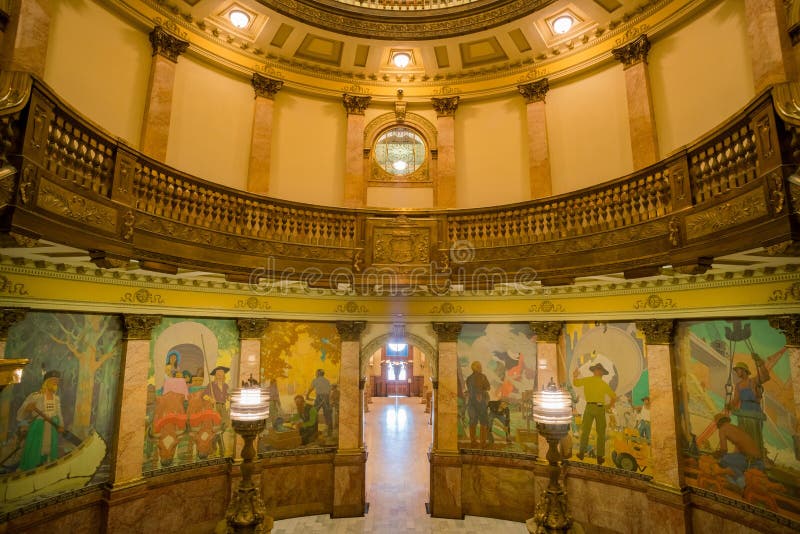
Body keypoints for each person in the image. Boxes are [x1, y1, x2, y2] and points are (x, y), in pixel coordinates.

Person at [16, 370, 64, 470]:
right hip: (38, 426)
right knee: (35, 447)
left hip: (53, 426)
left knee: (50, 447)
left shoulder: (56, 398)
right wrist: (28, 408)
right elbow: (22, 412)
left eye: (57, 381)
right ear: (47, 382)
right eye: (53, 380)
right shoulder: (36, 396)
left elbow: (59, 413)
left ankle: (46, 466)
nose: (56, 383)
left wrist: (61, 425)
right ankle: (31, 467)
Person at [573, 362, 617, 465]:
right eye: (597, 369)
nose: (598, 371)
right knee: (585, 431)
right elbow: (576, 383)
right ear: (594, 371)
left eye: (600, 370)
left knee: (601, 433)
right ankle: (581, 452)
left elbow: (613, 396)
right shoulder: (588, 380)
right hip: (589, 407)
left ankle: (600, 456)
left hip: (600, 408)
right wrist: (575, 376)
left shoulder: (603, 384)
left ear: (602, 373)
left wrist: (608, 406)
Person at [728, 357, 770, 458]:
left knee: (755, 435)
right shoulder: (738, 386)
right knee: (743, 435)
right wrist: (729, 405)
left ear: (744, 371)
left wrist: (761, 364)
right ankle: (743, 456)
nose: (737, 372)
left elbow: (766, 377)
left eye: (738, 369)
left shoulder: (753, 381)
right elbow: (735, 400)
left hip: (754, 410)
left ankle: (756, 457)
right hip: (743, 412)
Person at [713, 413, 764, 488]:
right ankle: (736, 481)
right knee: (730, 461)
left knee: (723, 460)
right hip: (759, 463)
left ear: (718, 423)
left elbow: (724, 450)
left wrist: (716, 455)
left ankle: (741, 483)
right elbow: (738, 451)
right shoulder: (736, 428)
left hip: (751, 462)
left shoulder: (722, 429)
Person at [204, 366, 230, 456]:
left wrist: (230, 398)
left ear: (224, 375)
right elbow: (204, 395)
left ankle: (213, 442)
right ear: (215, 375)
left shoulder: (226, 385)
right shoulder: (211, 385)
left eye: (221, 374)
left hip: (223, 407)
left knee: (226, 423)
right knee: (217, 426)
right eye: (218, 374)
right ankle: (221, 448)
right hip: (215, 406)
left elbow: (227, 396)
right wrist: (210, 398)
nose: (220, 375)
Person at [465, 360, 491, 448]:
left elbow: (470, 389)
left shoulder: (468, 378)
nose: (481, 368)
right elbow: (488, 387)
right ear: (477, 368)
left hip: (472, 402)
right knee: (482, 421)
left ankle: (474, 442)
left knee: (473, 422)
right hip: (480, 402)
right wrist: (481, 391)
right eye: (480, 366)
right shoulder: (483, 377)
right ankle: (482, 443)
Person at [306, 369, 332, 436]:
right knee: (327, 414)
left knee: (313, 413)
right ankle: (329, 431)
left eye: (316, 373)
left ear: (318, 374)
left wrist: (307, 395)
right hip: (326, 398)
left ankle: (313, 430)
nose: (315, 374)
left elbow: (310, 389)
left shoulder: (315, 380)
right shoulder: (327, 381)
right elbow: (329, 392)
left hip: (319, 397)